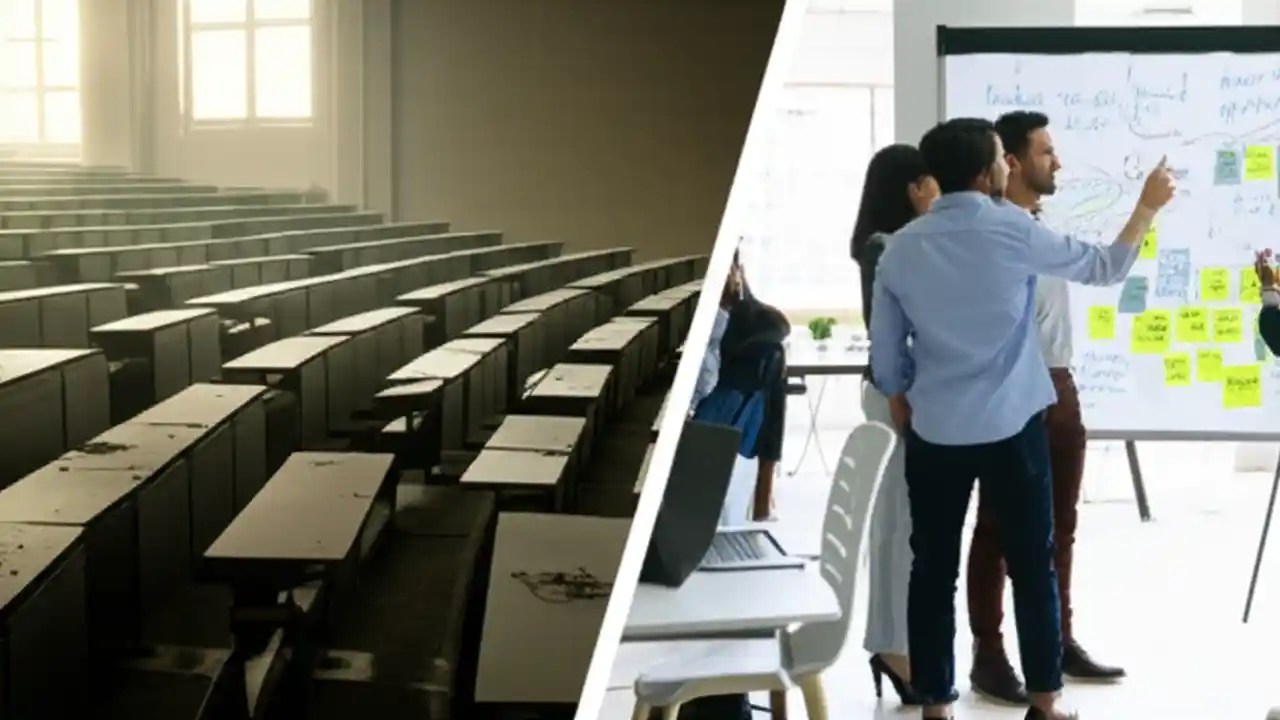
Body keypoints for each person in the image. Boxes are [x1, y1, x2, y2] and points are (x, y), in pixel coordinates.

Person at [869, 117, 1174, 720]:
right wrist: (1145, 207)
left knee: (932, 570)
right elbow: (1107, 267)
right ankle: (1045, 703)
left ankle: (934, 705)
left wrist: (907, 391)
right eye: (1002, 162)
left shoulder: (901, 248)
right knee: (1033, 564)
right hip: (1013, 429)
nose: (1011, 168)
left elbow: (885, 360)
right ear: (986, 173)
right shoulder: (1013, 230)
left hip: (935, 431)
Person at [964, 111, 1125, 705]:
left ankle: (1056, 642)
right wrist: (1146, 209)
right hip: (1017, 392)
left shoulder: (1036, 222)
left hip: (1062, 388)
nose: (1056, 162)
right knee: (998, 528)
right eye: (1045, 152)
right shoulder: (997, 230)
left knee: (1061, 528)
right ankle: (989, 654)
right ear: (1010, 161)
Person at [849, 143, 939, 707]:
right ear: (913, 188)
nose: (938, 195)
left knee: (902, 528)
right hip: (896, 397)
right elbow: (894, 336)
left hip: (897, 394)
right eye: (931, 184)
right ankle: (893, 648)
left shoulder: (892, 245)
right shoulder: (887, 248)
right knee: (900, 531)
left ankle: (894, 646)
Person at [693, 251, 790, 525]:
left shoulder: (755, 338)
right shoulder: (764, 331)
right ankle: (764, 499)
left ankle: (764, 497)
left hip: (703, 458)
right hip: (719, 467)